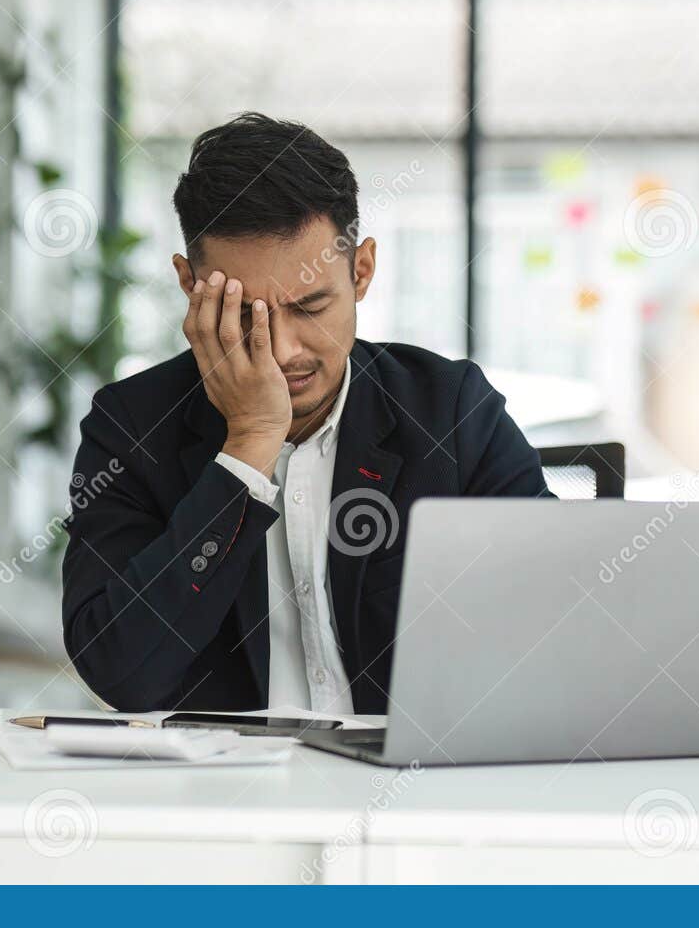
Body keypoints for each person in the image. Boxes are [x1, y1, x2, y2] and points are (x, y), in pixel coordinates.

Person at [62, 112, 548, 714]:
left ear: (362, 271)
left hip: (419, 788)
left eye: (311, 305)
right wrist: (248, 445)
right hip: (227, 799)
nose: (284, 350)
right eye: (246, 314)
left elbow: (551, 632)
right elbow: (120, 674)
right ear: (191, 286)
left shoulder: (449, 410)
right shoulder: (132, 428)